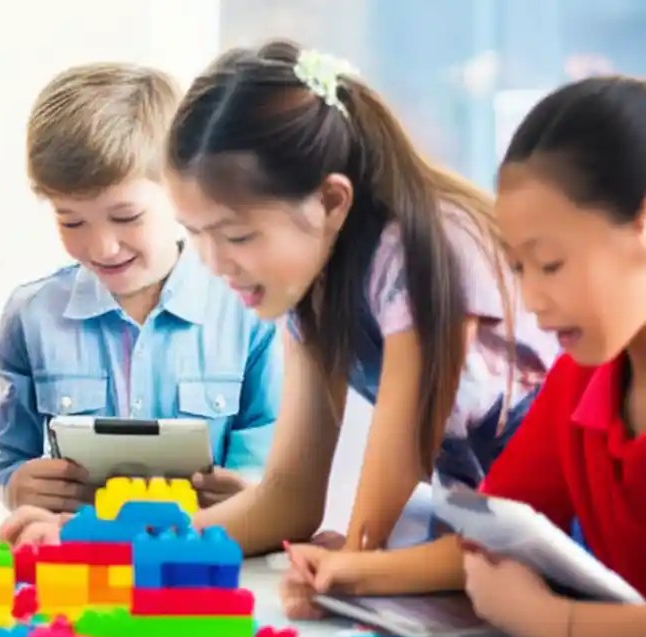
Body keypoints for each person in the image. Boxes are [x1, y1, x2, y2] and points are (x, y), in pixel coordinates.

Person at [282, 76, 646, 637]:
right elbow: (492, 538)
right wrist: (349, 573)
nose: (532, 301)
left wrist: (556, 622)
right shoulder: (578, 382)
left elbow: (544, 607)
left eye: (551, 264)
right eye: (518, 269)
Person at [163, 40, 557, 554]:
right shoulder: (309, 282)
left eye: (237, 236)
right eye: (194, 234)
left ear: (330, 201)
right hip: (487, 539)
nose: (213, 263)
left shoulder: (418, 251)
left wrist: (354, 562)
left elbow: (383, 505)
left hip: (563, 535)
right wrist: (122, 543)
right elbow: (289, 498)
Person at [0, 62, 280, 514]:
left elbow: (268, 462)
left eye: (126, 217)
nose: (102, 246)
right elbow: (12, 463)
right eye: (71, 221)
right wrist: (15, 487)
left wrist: (251, 496)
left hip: (204, 547)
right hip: (79, 547)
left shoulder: (249, 311)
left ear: (184, 191)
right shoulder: (32, 315)